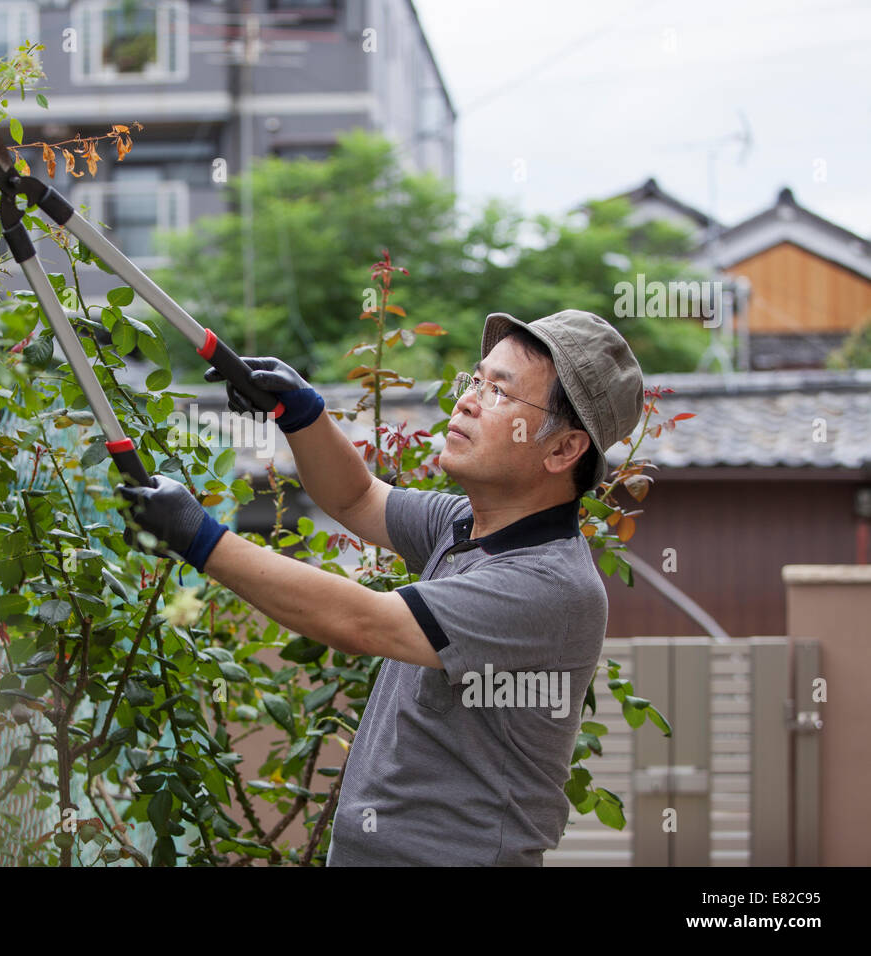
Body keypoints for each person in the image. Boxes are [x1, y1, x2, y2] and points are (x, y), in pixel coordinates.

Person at [116, 310, 645, 866]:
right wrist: (301, 413)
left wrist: (201, 539)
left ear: (563, 450)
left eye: (500, 394)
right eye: (477, 381)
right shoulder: (464, 525)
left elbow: (361, 622)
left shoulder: (549, 585)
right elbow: (357, 499)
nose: (465, 401)